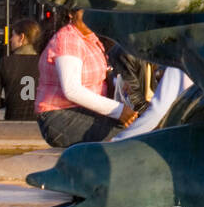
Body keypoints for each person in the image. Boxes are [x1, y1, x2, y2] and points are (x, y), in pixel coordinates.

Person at [35, 8, 138, 147]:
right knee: (132, 134)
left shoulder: (91, 40)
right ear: (71, 13)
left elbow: (98, 76)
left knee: (137, 129)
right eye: (85, 11)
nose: (92, 17)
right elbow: (72, 90)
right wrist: (119, 110)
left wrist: (119, 85)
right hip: (60, 117)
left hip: (81, 112)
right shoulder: (67, 39)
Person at [0, 19, 42, 121]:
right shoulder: (44, 63)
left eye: (12, 35)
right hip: (40, 123)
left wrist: (11, 101)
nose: (10, 40)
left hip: (13, 122)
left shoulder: (5, 62)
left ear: (21, 37)